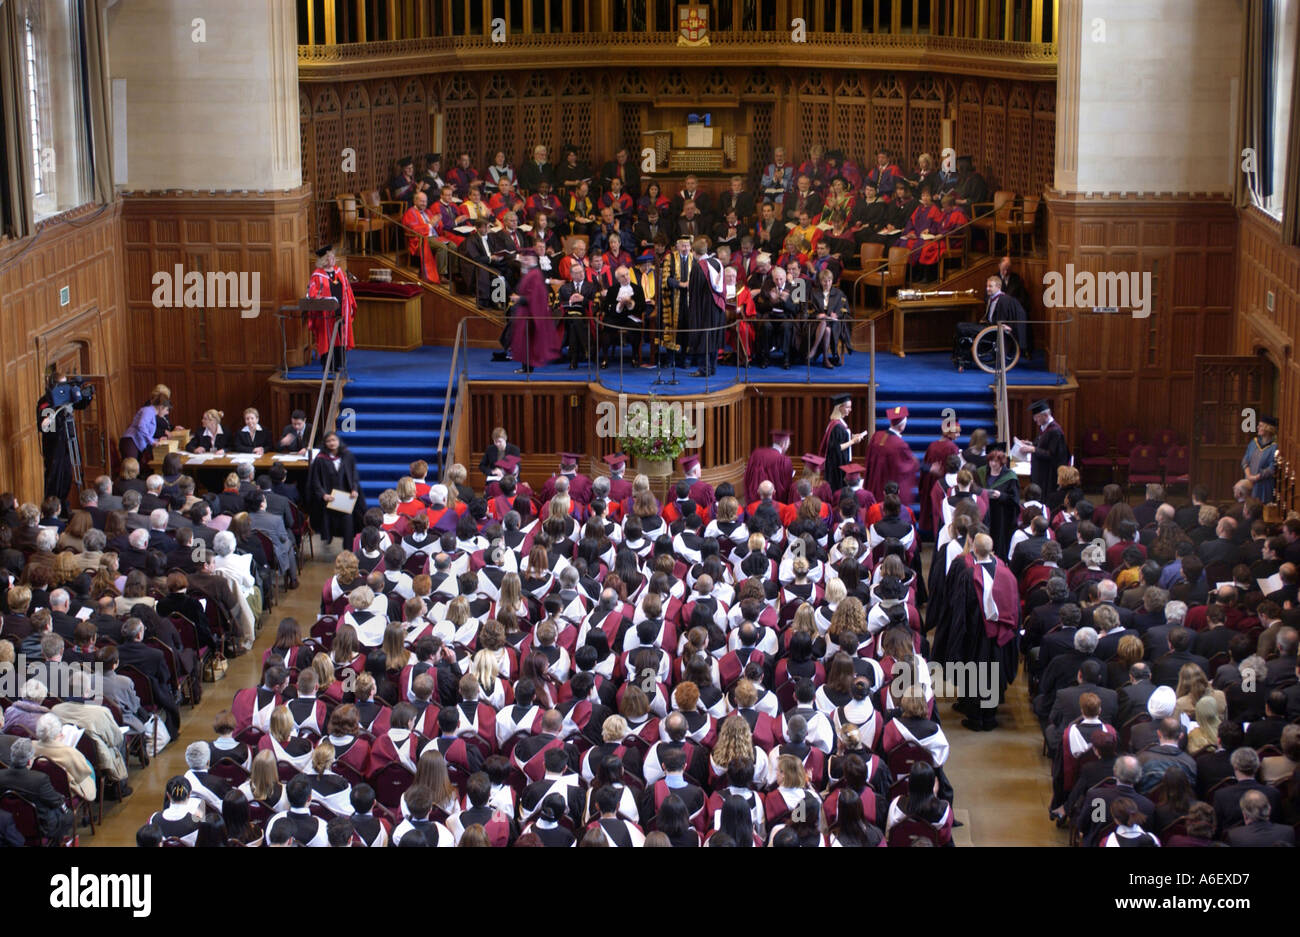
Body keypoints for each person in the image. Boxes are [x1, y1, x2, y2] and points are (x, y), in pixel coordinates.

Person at [931, 533, 1019, 731]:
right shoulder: (1006, 573)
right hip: (999, 636)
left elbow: (959, 610)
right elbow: (1015, 609)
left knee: (974, 671)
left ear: (974, 549)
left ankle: (974, 716)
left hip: (975, 634)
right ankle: (989, 716)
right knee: (993, 671)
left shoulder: (968, 575)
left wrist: (956, 636)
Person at [37, 369, 94, 509]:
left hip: (69, 440)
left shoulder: (67, 396)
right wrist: (58, 411)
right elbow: (47, 429)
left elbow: (80, 404)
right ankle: (52, 508)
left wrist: (86, 395)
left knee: (68, 475)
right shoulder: (46, 402)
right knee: (55, 478)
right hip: (55, 446)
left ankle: (63, 504)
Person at [306, 432, 366, 551]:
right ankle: (328, 538)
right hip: (329, 499)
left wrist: (354, 488)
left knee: (348, 526)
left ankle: (348, 551)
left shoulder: (347, 456)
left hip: (345, 499)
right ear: (325, 443)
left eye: (334, 440)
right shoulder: (320, 459)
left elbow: (354, 474)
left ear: (338, 441)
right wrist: (323, 495)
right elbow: (315, 481)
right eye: (328, 441)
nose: (332, 443)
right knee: (329, 524)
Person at [306, 244, 357, 374]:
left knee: (340, 334)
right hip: (326, 314)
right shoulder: (317, 276)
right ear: (323, 261)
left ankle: (339, 364)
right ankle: (328, 366)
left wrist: (350, 305)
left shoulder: (339, 272)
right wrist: (321, 298)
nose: (332, 260)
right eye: (329, 258)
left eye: (333, 257)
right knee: (327, 339)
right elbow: (313, 293)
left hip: (341, 311)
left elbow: (347, 290)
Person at [510, 249, 561, 374]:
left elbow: (535, 297)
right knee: (525, 341)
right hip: (526, 312)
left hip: (530, 313)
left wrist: (519, 298)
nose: (524, 261)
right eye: (523, 259)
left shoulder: (535, 275)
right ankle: (526, 367)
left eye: (527, 259)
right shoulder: (530, 273)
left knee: (528, 341)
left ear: (533, 260)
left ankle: (528, 368)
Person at [684, 237, 726, 378]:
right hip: (717, 308)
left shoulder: (698, 267)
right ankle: (712, 368)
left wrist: (693, 312)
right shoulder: (718, 263)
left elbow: (694, 292)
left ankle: (703, 369)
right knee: (713, 337)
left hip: (704, 309)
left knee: (703, 336)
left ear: (694, 252)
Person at [863, 405, 919, 508]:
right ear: (902, 426)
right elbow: (907, 465)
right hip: (886, 486)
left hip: (874, 483)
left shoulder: (877, 436)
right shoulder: (900, 445)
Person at [819, 393, 869, 494]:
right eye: (847, 407)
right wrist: (853, 441)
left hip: (839, 461)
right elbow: (836, 447)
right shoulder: (836, 425)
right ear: (839, 407)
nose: (850, 410)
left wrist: (853, 437)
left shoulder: (839, 422)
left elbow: (841, 439)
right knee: (838, 490)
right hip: (837, 464)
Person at [1021, 399, 1071, 497]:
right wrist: (1030, 443)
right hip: (1041, 471)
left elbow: (1052, 454)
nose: (1035, 420)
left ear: (1046, 415)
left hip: (1048, 475)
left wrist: (1033, 449)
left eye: (1037, 417)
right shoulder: (1045, 427)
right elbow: (1042, 444)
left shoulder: (1055, 431)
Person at [401, 190, 444, 283]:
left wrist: (436, 222)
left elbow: (437, 225)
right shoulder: (410, 213)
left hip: (434, 237)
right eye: (421, 201)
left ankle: (452, 274)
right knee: (442, 247)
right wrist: (430, 224)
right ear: (415, 201)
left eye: (425, 201)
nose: (424, 204)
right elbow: (414, 229)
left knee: (453, 246)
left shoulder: (428, 211)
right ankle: (440, 275)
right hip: (421, 240)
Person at [744, 429, 794, 504]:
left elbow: (747, 476)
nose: (788, 445)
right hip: (774, 504)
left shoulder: (756, 453)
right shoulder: (784, 460)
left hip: (754, 501)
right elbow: (786, 485)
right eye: (789, 443)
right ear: (783, 444)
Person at [1241, 415, 1277, 504]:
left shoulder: (1274, 447)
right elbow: (1245, 459)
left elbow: (1272, 468)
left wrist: (1256, 477)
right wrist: (1249, 475)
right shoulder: (1254, 442)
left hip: (1263, 484)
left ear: (1268, 428)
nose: (1257, 427)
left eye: (1260, 426)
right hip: (1249, 481)